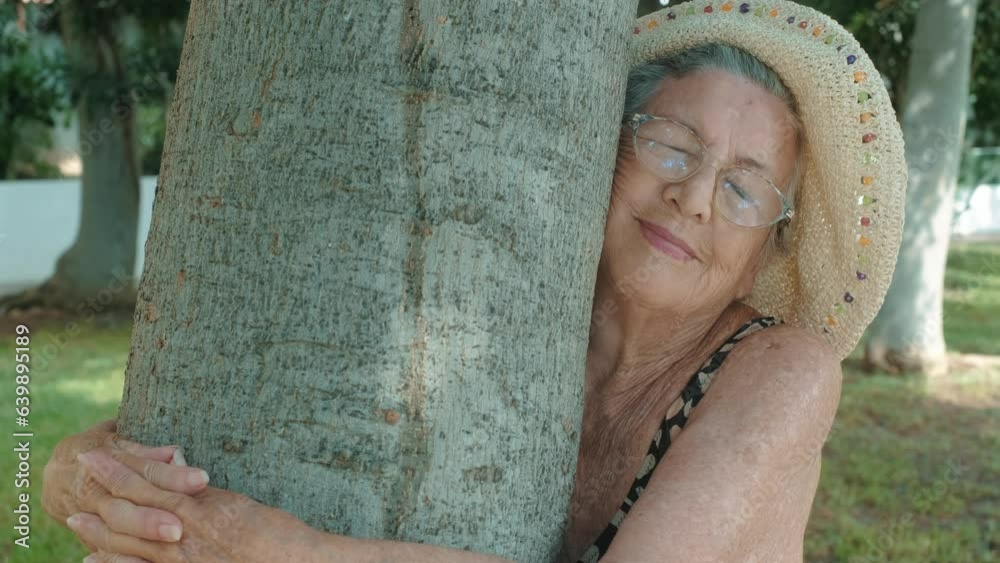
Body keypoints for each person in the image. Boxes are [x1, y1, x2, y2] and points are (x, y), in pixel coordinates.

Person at [42, 1, 906, 561]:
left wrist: (287, 551)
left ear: (769, 246)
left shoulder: (784, 372)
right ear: (601, 151)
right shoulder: (513, 309)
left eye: (744, 188)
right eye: (671, 144)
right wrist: (85, 473)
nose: (692, 198)